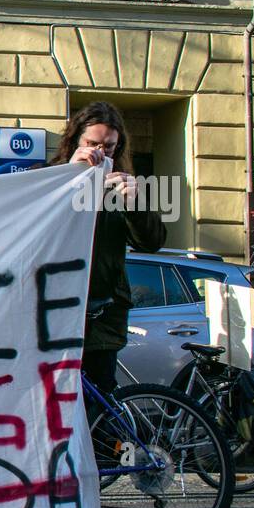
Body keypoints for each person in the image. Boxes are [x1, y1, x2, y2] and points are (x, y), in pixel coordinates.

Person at [52, 101, 166, 394]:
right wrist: (67, 176)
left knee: (98, 398)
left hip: (103, 314)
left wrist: (135, 205)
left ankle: (107, 440)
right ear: (75, 141)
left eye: (109, 147)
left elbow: (151, 243)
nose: (99, 154)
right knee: (50, 400)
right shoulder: (49, 177)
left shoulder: (123, 186)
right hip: (53, 310)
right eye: (92, 144)